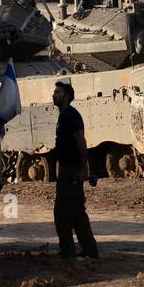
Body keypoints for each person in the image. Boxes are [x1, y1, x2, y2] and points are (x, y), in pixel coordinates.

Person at [47, 80, 99, 260]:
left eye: (58, 92)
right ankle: (90, 250)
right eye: (55, 92)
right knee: (77, 212)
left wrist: (83, 169)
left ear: (67, 96)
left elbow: (81, 142)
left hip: (72, 171)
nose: (54, 95)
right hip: (67, 169)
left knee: (61, 212)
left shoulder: (71, 115)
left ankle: (67, 250)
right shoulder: (64, 116)